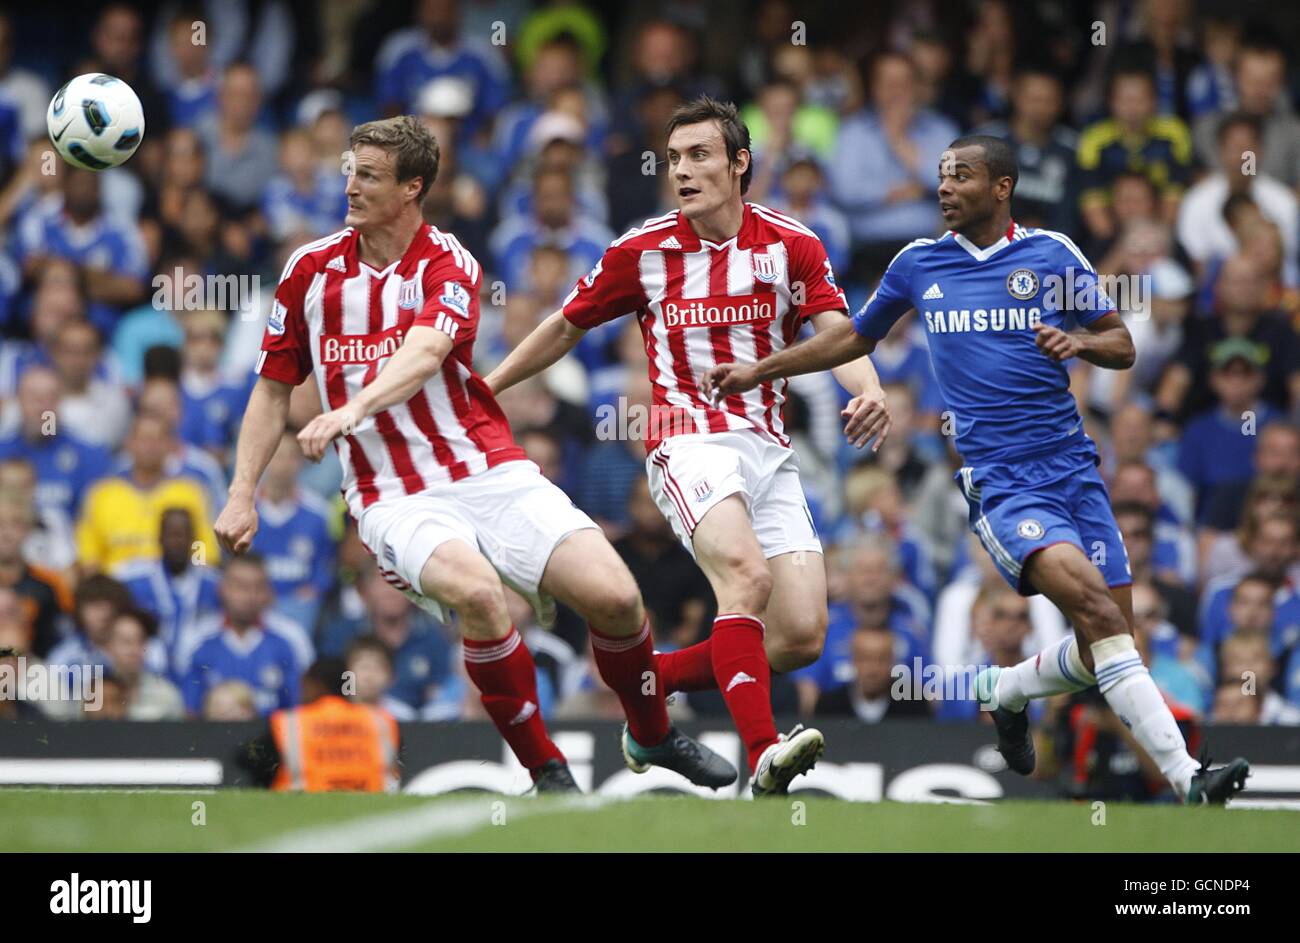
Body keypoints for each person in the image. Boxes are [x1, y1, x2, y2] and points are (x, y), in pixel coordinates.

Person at [704, 134, 1249, 805]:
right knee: (1100, 614)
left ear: (1001, 186)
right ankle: (1191, 776)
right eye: (940, 176)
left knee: (1107, 637)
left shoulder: (1051, 255)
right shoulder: (918, 262)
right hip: (1003, 481)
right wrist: (761, 368)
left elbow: (1123, 342)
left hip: (1075, 472)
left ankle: (1006, 688)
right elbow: (852, 335)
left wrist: (1078, 340)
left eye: (960, 175)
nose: (944, 188)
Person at [215, 115, 732, 794]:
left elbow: (428, 350)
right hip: (389, 493)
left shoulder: (448, 261)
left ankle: (652, 730)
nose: (350, 185)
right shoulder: (309, 271)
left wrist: (351, 407)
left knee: (616, 598)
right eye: (350, 169)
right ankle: (547, 768)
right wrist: (240, 489)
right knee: (480, 595)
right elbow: (273, 388)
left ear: (412, 187)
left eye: (368, 175)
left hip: (487, 469)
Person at [488, 96, 890, 795]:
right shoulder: (641, 252)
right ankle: (766, 752)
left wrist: (871, 387)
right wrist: (488, 385)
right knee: (746, 577)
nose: (682, 170)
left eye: (700, 155)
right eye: (674, 158)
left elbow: (836, 328)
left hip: (768, 448)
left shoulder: (791, 244)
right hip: (687, 439)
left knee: (798, 636)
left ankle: (653, 680)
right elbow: (564, 325)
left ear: (740, 165)